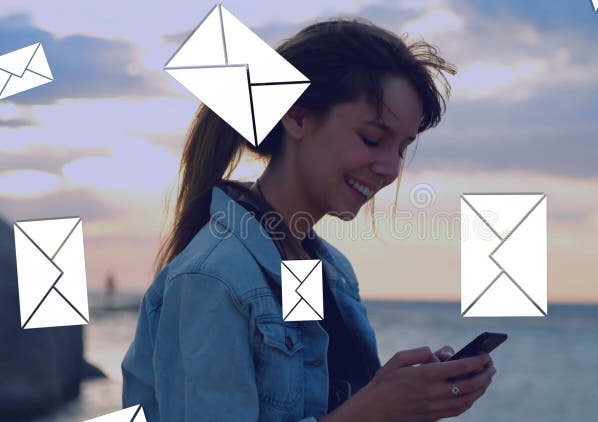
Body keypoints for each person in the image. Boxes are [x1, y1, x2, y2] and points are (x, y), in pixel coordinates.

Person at [121, 17, 496, 422]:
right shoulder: (212, 279)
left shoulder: (327, 269)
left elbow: (318, 401)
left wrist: (410, 399)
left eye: (402, 148)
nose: (390, 168)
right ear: (297, 119)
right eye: (372, 139)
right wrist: (375, 409)